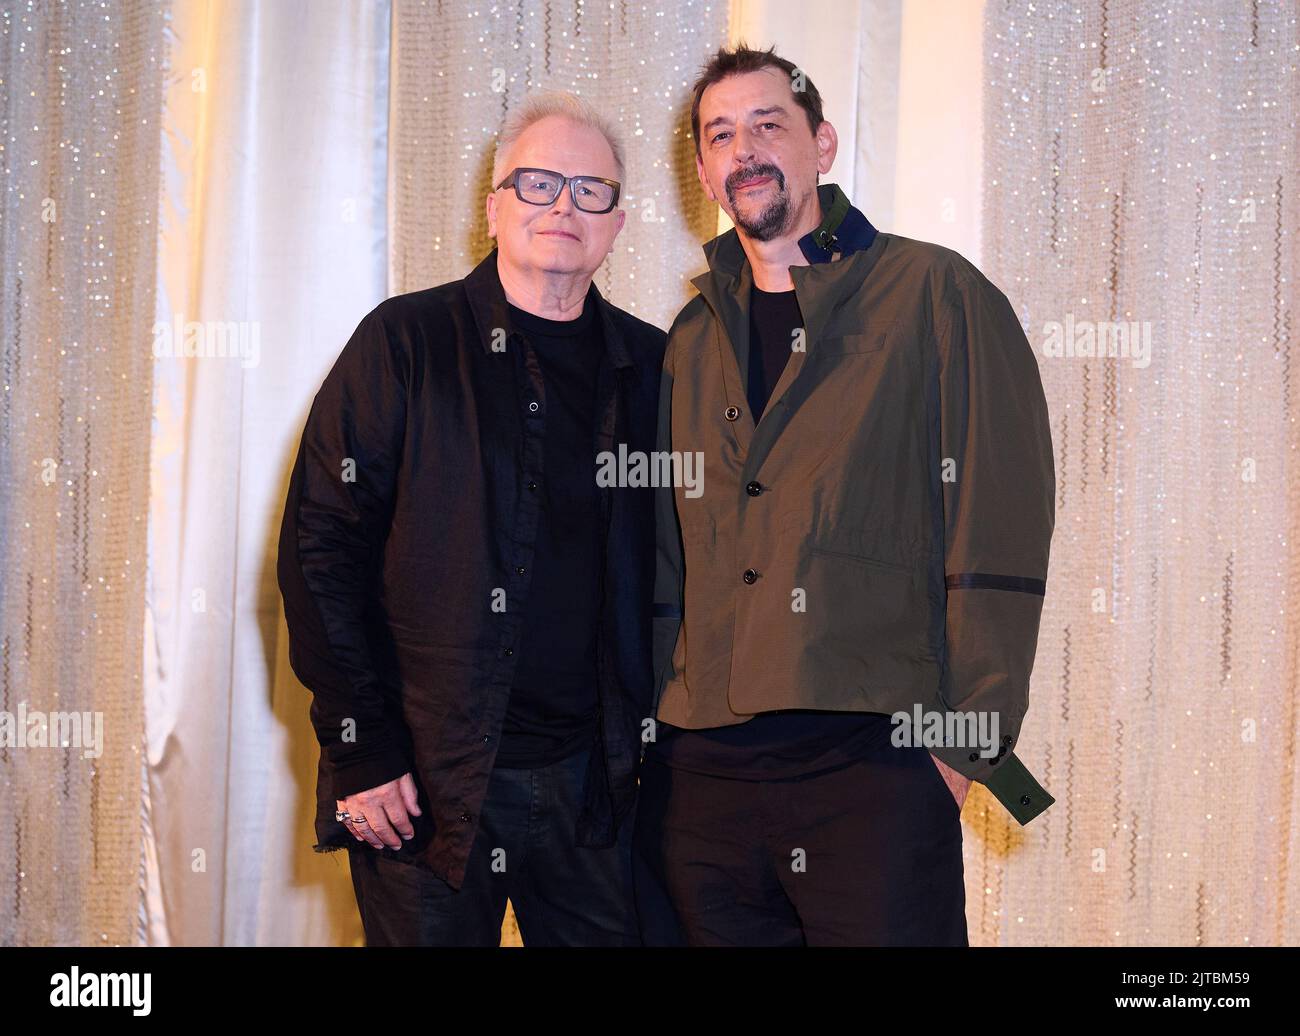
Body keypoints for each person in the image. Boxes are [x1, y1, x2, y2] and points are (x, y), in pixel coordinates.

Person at [633, 43, 1057, 946]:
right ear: (704, 169)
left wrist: (962, 749)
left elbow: (1000, 524)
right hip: (701, 780)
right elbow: (667, 555)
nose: (743, 149)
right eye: (720, 134)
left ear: (821, 145)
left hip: (872, 771)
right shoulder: (691, 337)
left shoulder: (934, 294)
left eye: (767, 125)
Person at [277, 91, 666, 945]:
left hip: (598, 791)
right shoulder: (403, 344)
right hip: (421, 787)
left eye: (589, 190)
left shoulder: (656, 369)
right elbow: (318, 552)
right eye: (537, 183)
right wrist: (362, 752)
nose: (563, 205)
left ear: (618, 223)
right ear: (492, 206)